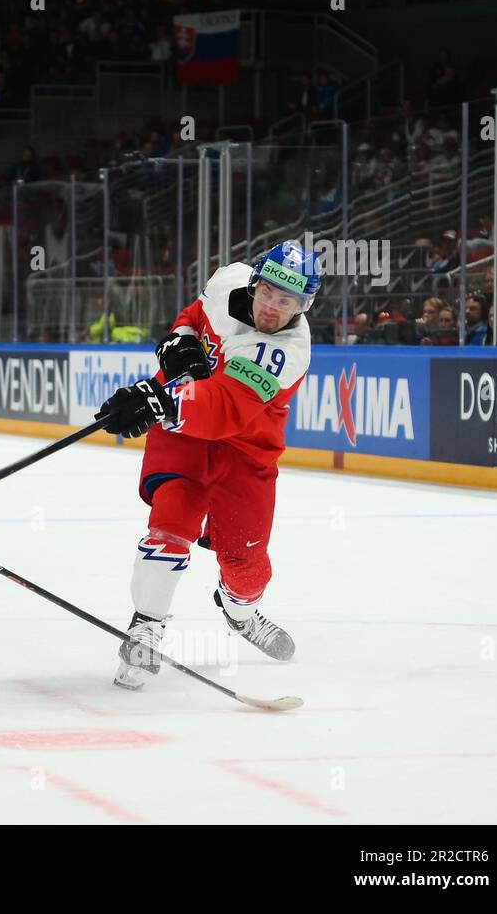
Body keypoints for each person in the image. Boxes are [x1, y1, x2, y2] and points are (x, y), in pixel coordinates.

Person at [96, 240, 319, 690]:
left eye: (288, 301)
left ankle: (239, 612)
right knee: (172, 519)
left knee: (246, 558)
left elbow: (222, 408)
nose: (274, 308)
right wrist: (180, 341)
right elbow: (194, 316)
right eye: (269, 292)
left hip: (244, 449)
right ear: (254, 282)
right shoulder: (228, 280)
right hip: (186, 436)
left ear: (303, 305)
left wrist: (160, 400)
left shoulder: (287, 351)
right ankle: (146, 628)